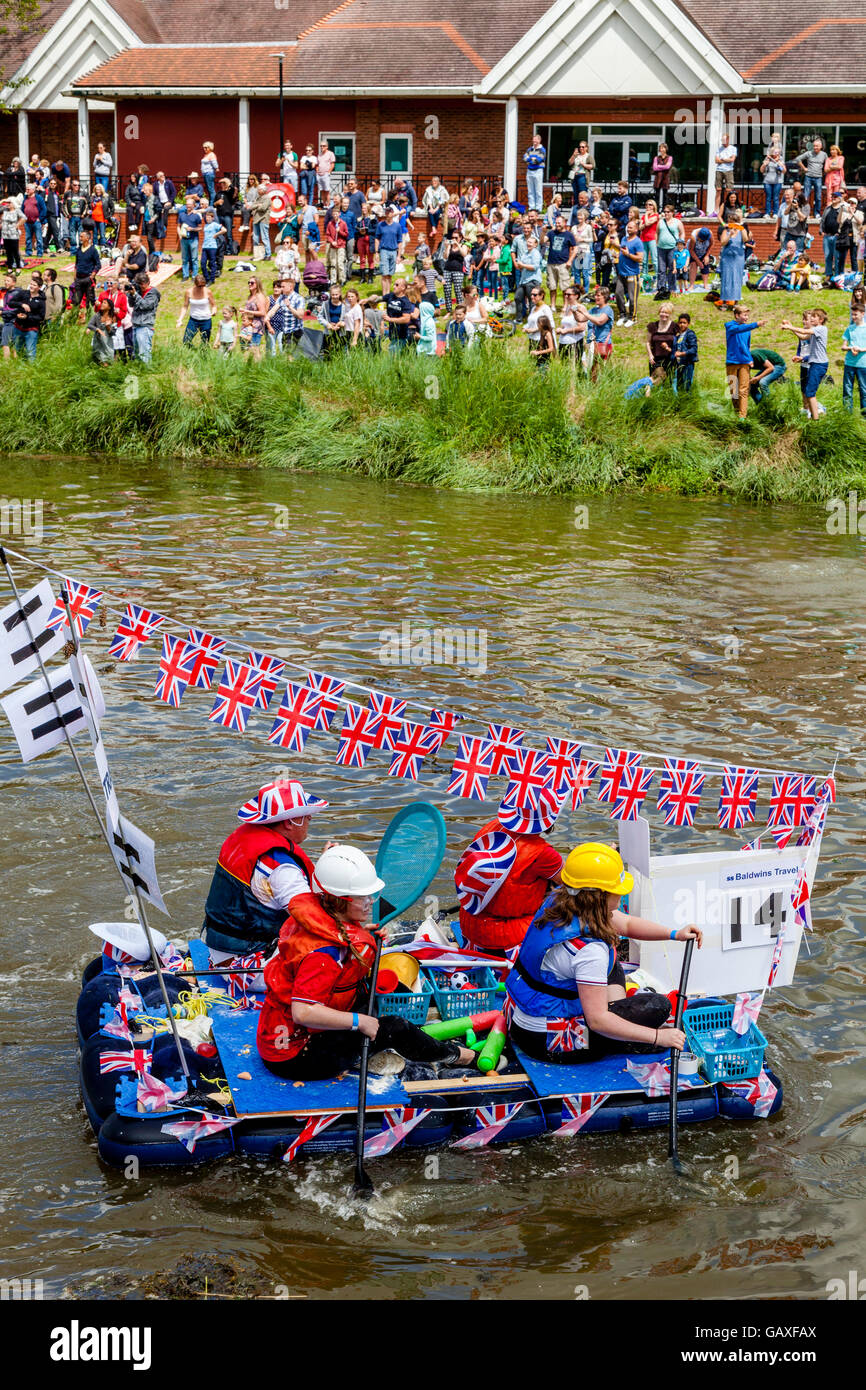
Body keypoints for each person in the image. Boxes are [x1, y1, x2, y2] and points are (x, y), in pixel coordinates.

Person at [256, 844, 476, 1080]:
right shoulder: (322, 955)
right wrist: (358, 1021)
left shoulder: (323, 916)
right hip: (297, 1055)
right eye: (363, 898)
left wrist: (364, 938)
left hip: (289, 1035)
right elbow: (302, 1012)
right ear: (341, 901)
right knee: (395, 1028)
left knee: (385, 992)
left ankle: (417, 1040)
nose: (371, 901)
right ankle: (462, 1056)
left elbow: (340, 945)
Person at [507, 844, 702, 1063]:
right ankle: (619, 1027)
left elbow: (626, 924)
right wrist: (659, 1037)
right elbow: (598, 1021)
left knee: (613, 959)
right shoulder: (590, 952)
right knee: (659, 1007)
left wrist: (675, 934)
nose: (621, 892)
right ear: (600, 896)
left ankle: (616, 1012)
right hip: (547, 1039)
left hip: (519, 1016)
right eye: (617, 889)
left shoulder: (561, 900)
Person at [202, 779, 330, 957]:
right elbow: (313, 921)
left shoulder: (243, 840)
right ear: (289, 822)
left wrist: (324, 866)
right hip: (248, 961)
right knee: (331, 951)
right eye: (305, 814)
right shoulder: (280, 867)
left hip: (218, 949)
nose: (310, 817)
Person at [455, 797, 563, 955]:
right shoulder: (544, 854)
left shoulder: (491, 827)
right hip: (507, 935)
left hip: (469, 921)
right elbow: (570, 881)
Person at [781, 308, 828, 420]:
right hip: (814, 364)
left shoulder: (821, 329)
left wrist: (789, 327)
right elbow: (802, 336)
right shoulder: (815, 329)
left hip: (819, 364)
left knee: (810, 393)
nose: (811, 318)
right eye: (810, 316)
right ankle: (813, 415)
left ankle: (816, 417)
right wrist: (791, 327)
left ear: (820, 320)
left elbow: (804, 331)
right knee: (808, 391)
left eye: (814, 317)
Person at [725, 305, 765, 419]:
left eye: (747, 315)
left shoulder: (747, 330)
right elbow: (739, 329)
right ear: (737, 315)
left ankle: (742, 417)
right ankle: (737, 411)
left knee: (743, 389)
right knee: (734, 391)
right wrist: (756, 325)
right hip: (732, 362)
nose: (747, 317)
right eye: (744, 315)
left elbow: (746, 346)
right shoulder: (730, 326)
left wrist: (750, 359)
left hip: (744, 362)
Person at [122, 271, 160, 364]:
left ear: (148, 282)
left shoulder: (153, 293)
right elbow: (131, 304)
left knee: (144, 353)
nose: (141, 286)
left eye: (142, 284)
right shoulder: (138, 291)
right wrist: (131, 294)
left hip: (145, 325)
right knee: (137, 353)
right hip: (135, 324)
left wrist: (135, 295)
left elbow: (145, 306)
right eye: (139, 284)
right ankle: (139, 371)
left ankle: (147, 372)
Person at [614, 218, 642, 326]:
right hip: (622, 273)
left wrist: (628, 255)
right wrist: (618, 255)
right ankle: (622, 314)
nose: (628, 229)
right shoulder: (624, 239)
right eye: (628, 227)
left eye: (631, 227)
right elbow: (623, 250)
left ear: (636, 229)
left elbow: (640, 258)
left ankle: (633, 317)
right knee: (618, 293)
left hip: (632, 274)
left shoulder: (638, 242)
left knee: (631, 297)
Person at [718, 210, 748, 306]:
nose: (731, 223)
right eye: (729, 221)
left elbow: (745, 239)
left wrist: (741, 228)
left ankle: (735, 301)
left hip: (738, 258)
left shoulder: (741, 230)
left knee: (737, 279)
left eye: (733, 221)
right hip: (727, 258)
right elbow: (723, 242)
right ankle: (724, 301)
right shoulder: (725, 230)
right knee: (726, 278)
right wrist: (729, 234)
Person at [11, 273, 44, 360]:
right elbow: (11, 303)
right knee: (17, 350)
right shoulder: (23, 293)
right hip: (18, 327)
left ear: (39, 287)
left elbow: (41, 317)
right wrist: (22, 304)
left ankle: (31, 370)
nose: (31, 286)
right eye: (31, 284)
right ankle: (19, 368)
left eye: (34, 285)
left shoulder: (41, 301)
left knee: (30, 353)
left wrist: (27, 317)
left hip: (31, 330)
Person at [177, 273, 215, 345]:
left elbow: (213, 305)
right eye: (199, 286)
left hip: (206, 320)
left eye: (203, 285)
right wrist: (180, 319)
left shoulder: (208, 291)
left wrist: (213, 311)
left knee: (205, 343)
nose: (201, 287)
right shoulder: (189, 292)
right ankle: (192, 352)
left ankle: (203, 355)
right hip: (193, 320)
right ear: (195, 284)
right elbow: (185, 306)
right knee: (186, 341)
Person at [70, 229, 102, 314]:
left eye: (82, 236)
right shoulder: (79, 250)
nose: (80, 238)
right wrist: (75, 274)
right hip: (79, 279)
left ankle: (90, 319)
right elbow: (76, 263)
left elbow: (98, 265)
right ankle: (73, 318)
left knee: (90, 301)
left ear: (87, 238)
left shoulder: (93, 250)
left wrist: (93, 275)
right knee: (76, 300)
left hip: (88, 278)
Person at [842, 303, 866, 417]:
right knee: (847, 389)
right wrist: (850, 348)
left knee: (864, 390)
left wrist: (861, 349)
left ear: (863, 314)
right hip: (849, 363)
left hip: (863, 364)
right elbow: (843, 346)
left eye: (856, 314)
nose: (853, 317)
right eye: (852, 315)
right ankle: (847, 415)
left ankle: (864, 415)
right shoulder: (850, 329)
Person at [646, 302, 677, 378]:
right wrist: (650, 355)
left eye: (667, 313)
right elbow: (648, 342)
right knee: (655, 379)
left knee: (670, 379)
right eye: (662, 312)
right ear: (659, 312)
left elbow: (679, 343)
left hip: (670, 358)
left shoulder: (675, 326)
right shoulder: (652, 326)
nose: (664, 315)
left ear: (670, 314)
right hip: (655, 358)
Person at [797, 137, 827, 216]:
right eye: (814, 146)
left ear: (821, 147)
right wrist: (804, 168)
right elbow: (798, 159)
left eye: (817, 146)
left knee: (818, 197)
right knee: (805, 196)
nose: (815, 147)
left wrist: (825, 172)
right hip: (808, 177)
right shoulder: (809, 153)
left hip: (818, 178)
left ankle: (816, 213)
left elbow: (827, 164)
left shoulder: (824, 155)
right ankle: (804, 212)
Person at [177, 196, 203, 279]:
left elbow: (200, 228)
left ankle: (194, 275)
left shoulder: (196, 216)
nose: (188, 206)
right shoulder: (181, 214)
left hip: (193, 239)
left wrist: (192, 229)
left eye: (190, 204)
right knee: (184, 259)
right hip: (184, 240)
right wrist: (179, 235)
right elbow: (178, 226)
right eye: (187, 204)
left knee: (194, 259)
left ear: (194, 205)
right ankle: (185, 275)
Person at [713, 129, 737, 217]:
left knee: (729, 190)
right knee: (718, 190)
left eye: (724, 140)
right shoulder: (719, 149)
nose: (723, 142)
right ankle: (716, 210)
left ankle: (728, 209)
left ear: (728, 140)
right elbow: (716, 160)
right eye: (722, 140)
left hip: (729, 170)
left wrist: (722, 159)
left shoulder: (733, 148)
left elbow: (732, 159)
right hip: (719, 170)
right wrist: (726, 159)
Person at [761, 133, 785, 220]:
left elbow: (784, 171)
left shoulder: (781, 159)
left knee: (775, 198)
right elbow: (761, 170)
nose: (776, 153)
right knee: (768, 198)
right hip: (767, 181)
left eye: (777, 152)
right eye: (775, 152)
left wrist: (780, 164)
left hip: (777, 181)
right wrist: (764, 164)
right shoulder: (768, 158)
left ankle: (775, 213)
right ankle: (767, 213)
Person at [673, 312, 698, 390]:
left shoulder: (690, 334)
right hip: (679, 364)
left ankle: (687, 401)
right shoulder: (678, 335)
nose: (682, 325)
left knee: (687, 386)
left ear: (688, 324)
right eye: (680, 322)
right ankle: (680, 401)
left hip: (687, 364)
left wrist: (682, 354)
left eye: (684, 323)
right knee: (679, 386)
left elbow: (694, 349)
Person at [200, 210, 226, 284]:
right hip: (205, 246)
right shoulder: (205, 225)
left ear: (212, 218)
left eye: (209, 217)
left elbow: (224, 230)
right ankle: (207, 278)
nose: (207, 219)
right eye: (206, 217)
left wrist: (216, 234)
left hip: (212, 247)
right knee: (203, 263)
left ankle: (212, 279)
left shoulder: (214, 224)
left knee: (212, 263)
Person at [87, 299, 116, 364]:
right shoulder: (97, 315)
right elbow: (89, 325)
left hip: (107, 341)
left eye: (105, 303)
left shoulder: (113, 317)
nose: (102, 304)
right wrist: (97, 329)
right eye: (102, 302)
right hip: (98, 340)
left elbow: (113, 333)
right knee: (100, 359)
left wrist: (108, 327)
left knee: (108, 359)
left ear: (109, 307)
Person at [523, 132, 546, 212]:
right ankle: (531, 207)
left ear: (539, 140)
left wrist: (531, 159)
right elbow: (525, 158)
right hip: (529, 171)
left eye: (536, 141)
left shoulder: (542, 150)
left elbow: (539, 160)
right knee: (530, 190)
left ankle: (538, 208)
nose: (534, 142)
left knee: (538, 190)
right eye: (533, 141)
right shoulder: (530, 149)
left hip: (538, 170)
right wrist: (531, 159)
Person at [1, 197, 24, 269]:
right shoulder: (5, 209)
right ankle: (10, 264)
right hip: (5, 232)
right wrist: (2, 201)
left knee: (14, 249)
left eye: (9, 203)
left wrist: (16, 226)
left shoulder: (16, 210)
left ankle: (19, 263)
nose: (8, 204)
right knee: (8, 250)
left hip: (13, 233)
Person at [316, 140, 336, 209]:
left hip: (326, 174)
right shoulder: (319, 155)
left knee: (327, 191)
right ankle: (324, 205)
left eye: (323, 146)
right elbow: (318, 164)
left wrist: (328, 172)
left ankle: (328, 205)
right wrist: (317, 171)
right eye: (321, 146)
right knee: (322, 191)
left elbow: (332, 164)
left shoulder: (330, 153)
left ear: (327, 147)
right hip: (319, 175)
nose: (322, 147)